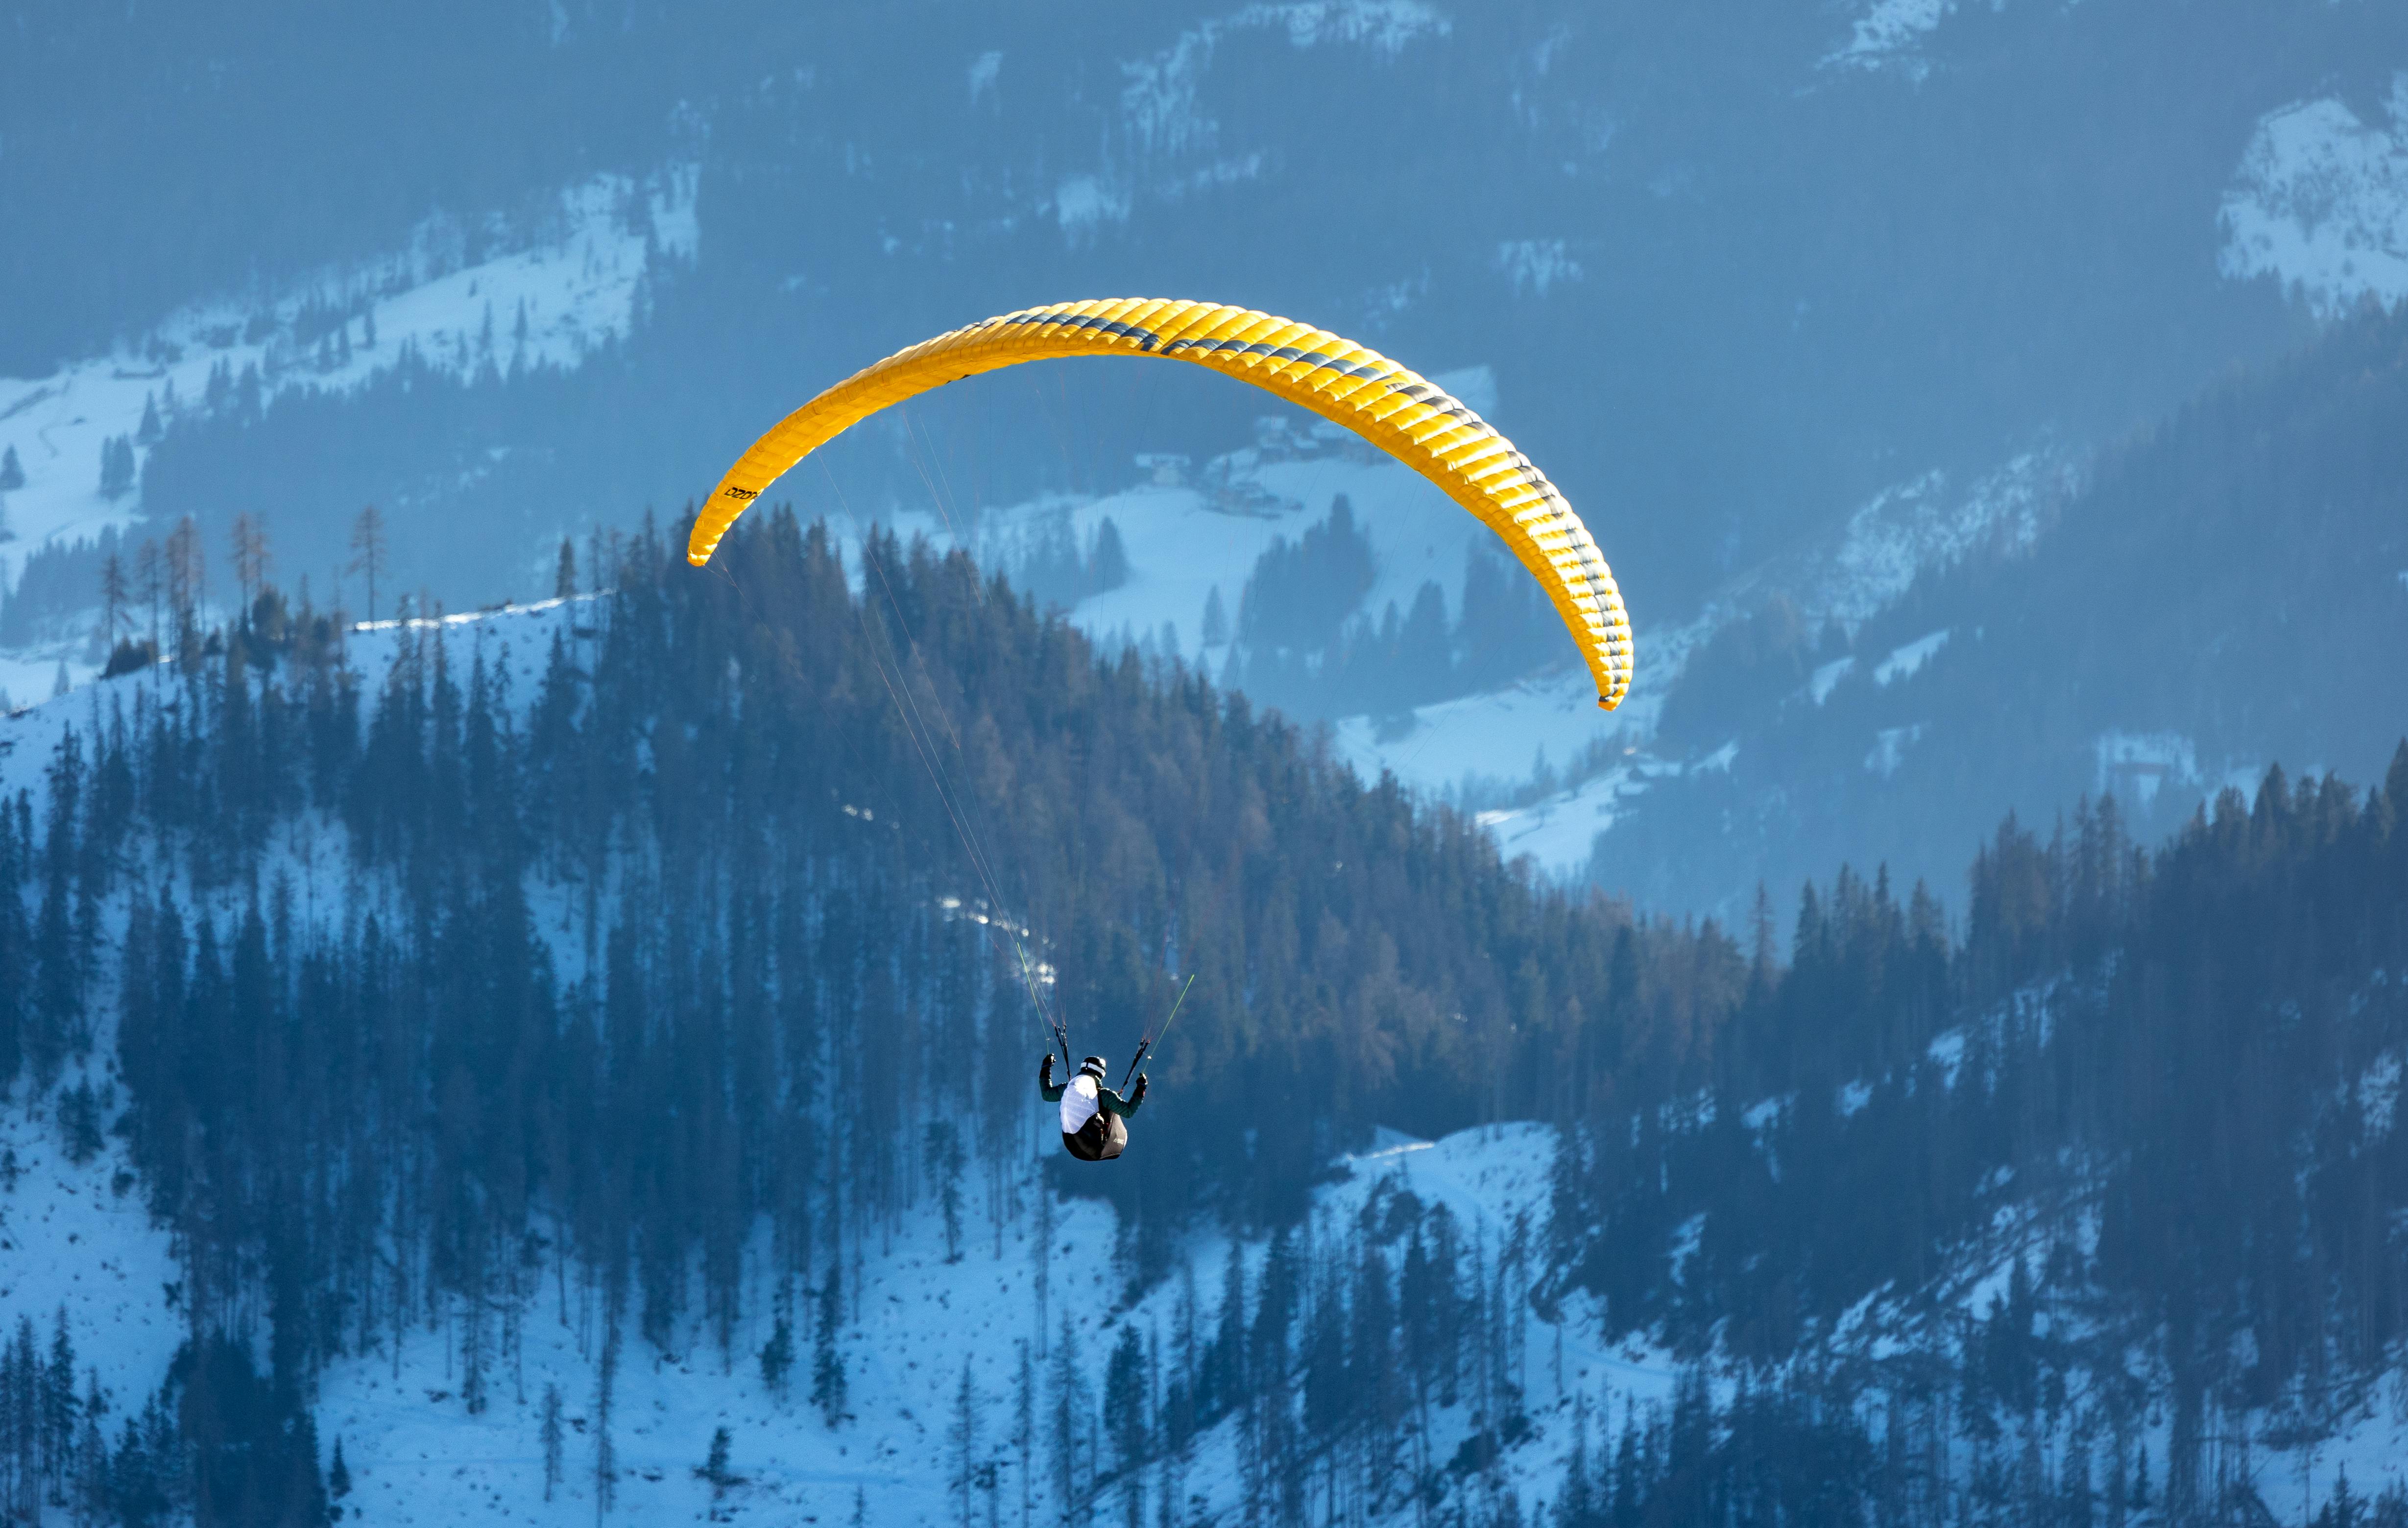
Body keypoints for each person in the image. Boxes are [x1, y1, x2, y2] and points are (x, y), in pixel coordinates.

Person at [1039, 1052, 1148, 1161]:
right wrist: (1141, 1089)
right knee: (1111, 1110)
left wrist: (1046, 1068)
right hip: (1095, 1149)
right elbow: (1129, 1111)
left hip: (1071, 1146)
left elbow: (1047, 1094)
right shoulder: (1104, 1094)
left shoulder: (1069, 1088)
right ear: (1100, 1075)